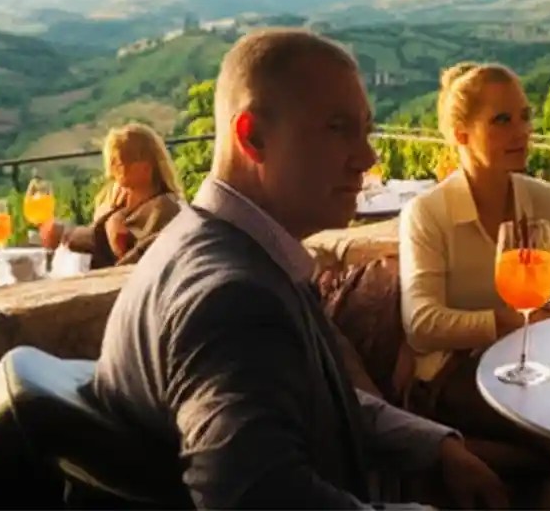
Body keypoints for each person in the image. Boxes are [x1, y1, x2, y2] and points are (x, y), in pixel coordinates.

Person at [92, 29, 507, 509]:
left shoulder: (207, 245)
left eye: (365, 129)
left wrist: (436, 446)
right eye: (338, 128)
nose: (368, 157)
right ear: (253, 137)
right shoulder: (233, 300)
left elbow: (311, 398)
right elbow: (258, 501)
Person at [398, 63, 550, 455]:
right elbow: (421, 323)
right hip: (455, 375)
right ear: (461, 134)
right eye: (502, 120)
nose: (522, 131)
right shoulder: (428, 213)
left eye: (525, 116)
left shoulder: (546, 203)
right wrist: (507, 321)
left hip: (540, 364)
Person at [39, 123, 181, 269]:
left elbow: (140, 261)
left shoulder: (165, 208)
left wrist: (114, 234)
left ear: (146, 167)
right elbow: (95, 238)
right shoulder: (119, 200)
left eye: (120, 162)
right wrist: (64, 233)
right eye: (113, 162)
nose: (112, 171)